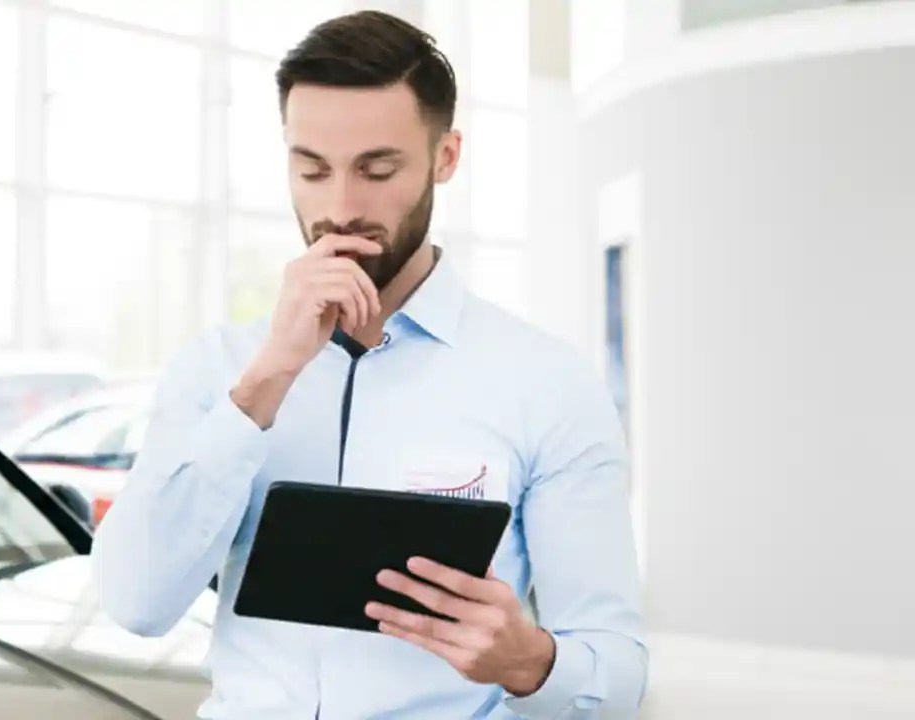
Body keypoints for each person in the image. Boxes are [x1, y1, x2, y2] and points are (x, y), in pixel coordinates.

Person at [92, 10, 647, 719]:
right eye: (312, 169)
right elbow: (136, 602)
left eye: (378, 169)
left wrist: (528, 661)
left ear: (445, 158)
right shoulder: (219, 369)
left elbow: (618, 675)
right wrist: (267, 381)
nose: (341, 207)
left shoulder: (547, 384)